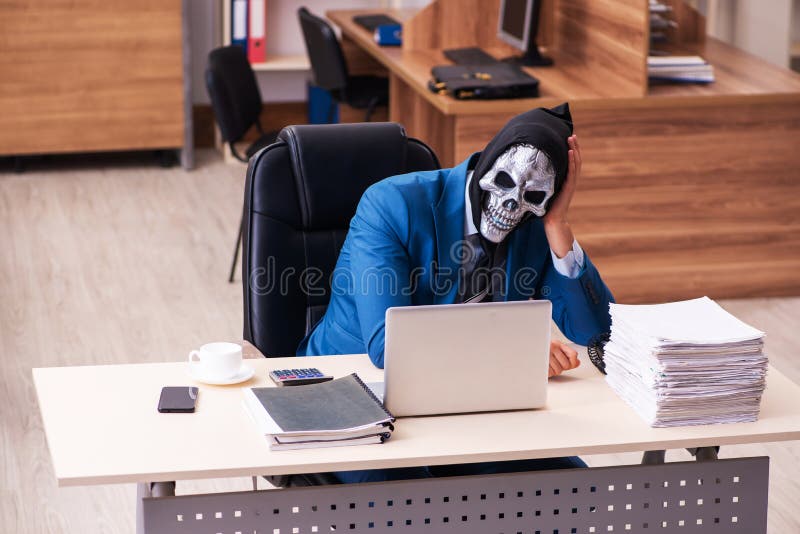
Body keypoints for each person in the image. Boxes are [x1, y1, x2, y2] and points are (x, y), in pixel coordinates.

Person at [298, 103, 614, 483]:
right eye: (506, 185)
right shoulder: (390, 204)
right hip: (355, 396)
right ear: (487, 167)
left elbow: (598, 334)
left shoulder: (532, 224)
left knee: (570, 492)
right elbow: (389, 347)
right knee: (416, 506)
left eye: (534, 195)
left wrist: (558, 224)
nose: (512, 205)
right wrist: (514, 349)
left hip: (472, 402)